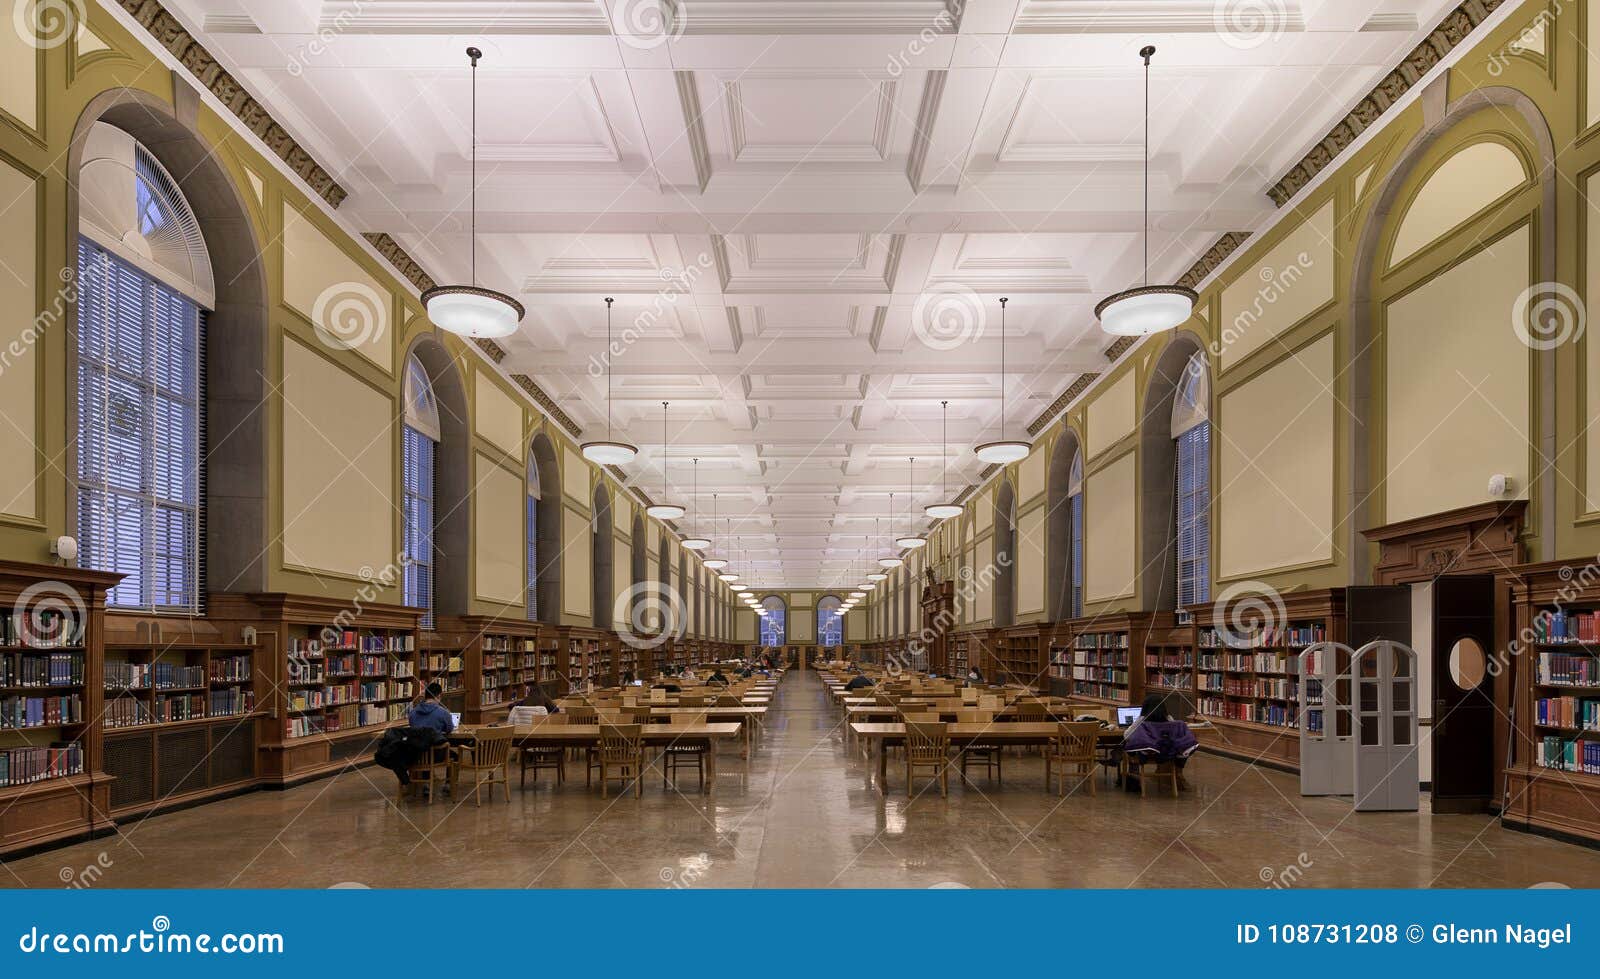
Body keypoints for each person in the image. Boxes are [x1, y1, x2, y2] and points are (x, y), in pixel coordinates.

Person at [1122, 693, 1199, 791]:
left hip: (1146, 755)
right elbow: (1175, 733)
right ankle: (1176, 775)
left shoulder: (1142, 720)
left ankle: (1134, 775)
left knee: (1127, 745)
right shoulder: (1169, 719)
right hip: (1167, 754)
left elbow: (1126, 735)